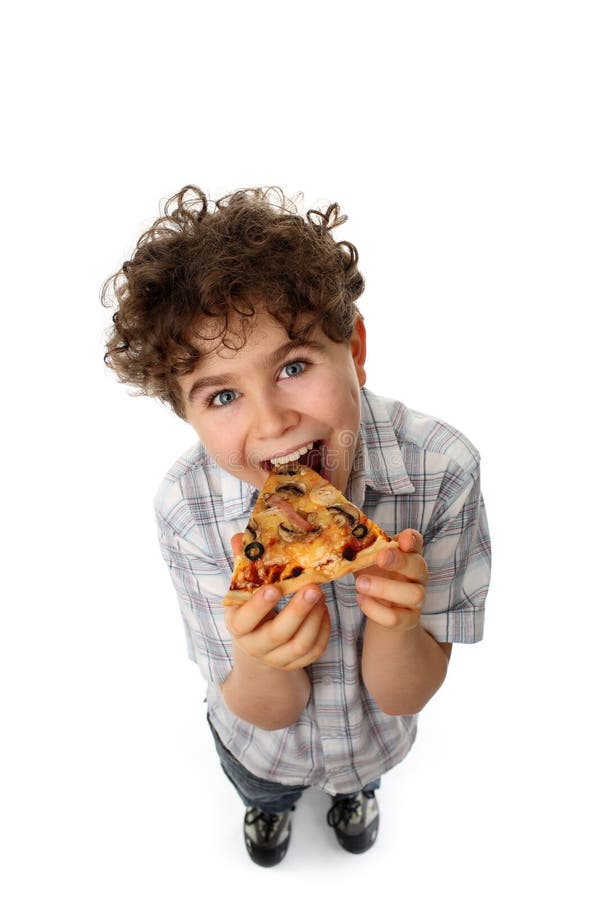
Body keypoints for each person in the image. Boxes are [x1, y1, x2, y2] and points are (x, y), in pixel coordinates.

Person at [102, 185, 491, 867]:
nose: (273, 422)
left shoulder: (442, 471)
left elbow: (409, 690)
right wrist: (257, 651)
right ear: (186, 416)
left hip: (375, 738)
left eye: (293, 366)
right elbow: (265, 709)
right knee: (261, 782)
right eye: (222, 395)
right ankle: (267, 810)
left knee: (361, 775)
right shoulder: (186, 509)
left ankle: (353, 796)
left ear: (356, 348)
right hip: (261, 744)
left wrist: (399, 625)